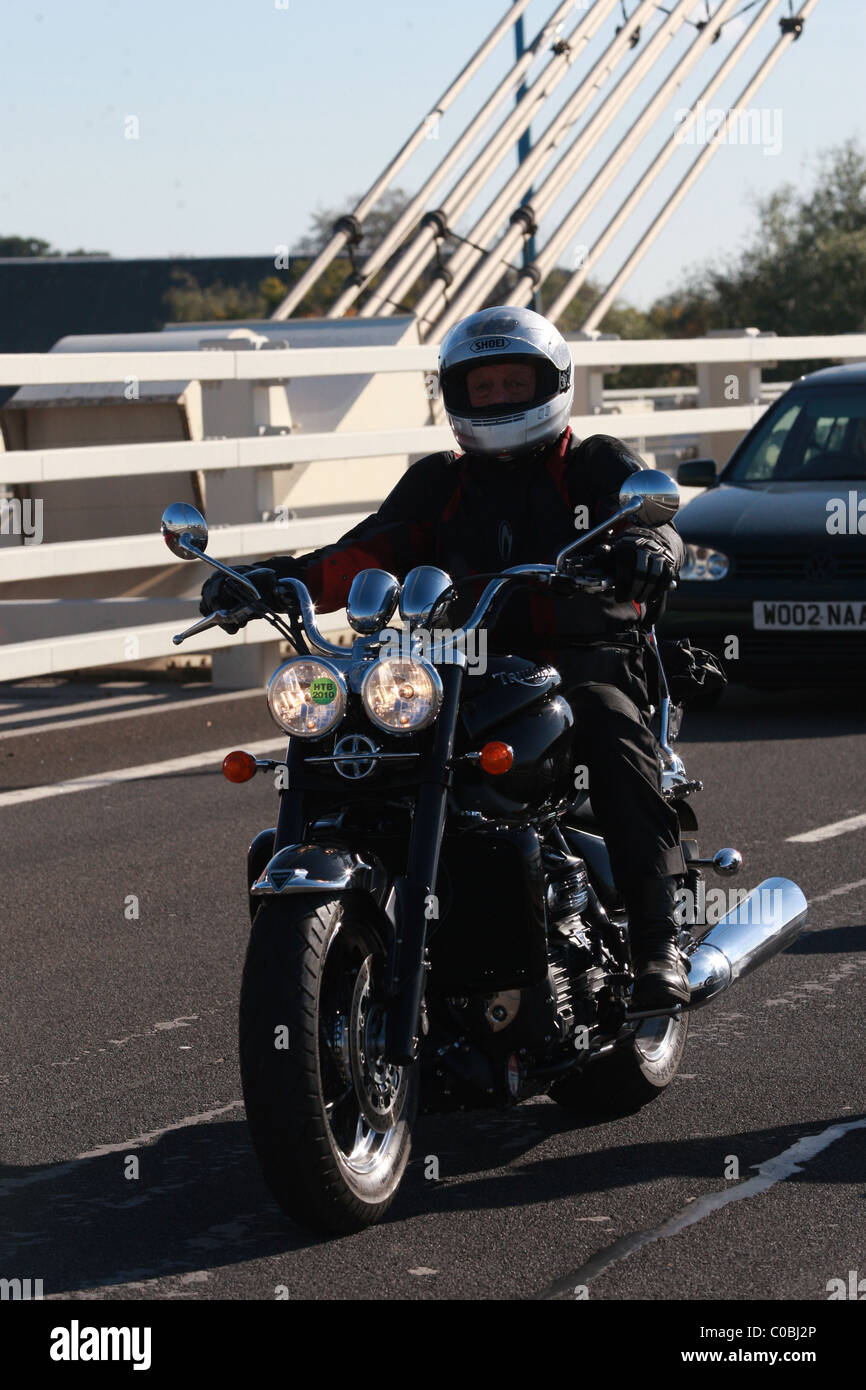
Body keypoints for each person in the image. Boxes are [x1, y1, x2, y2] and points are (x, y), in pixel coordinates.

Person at [200, 306, 689, 1009]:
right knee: (354, 740)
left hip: (585, 664)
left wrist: (650, 552)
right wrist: (275, 579)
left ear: (548, 384)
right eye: (481, 387)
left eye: (512, 383)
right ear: (457, 395)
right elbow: (367, 551)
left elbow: (660, 528)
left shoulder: (593, 464)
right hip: (463, 670)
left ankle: (656, 942)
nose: (497, 399)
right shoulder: (439, 482)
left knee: (611, 731)